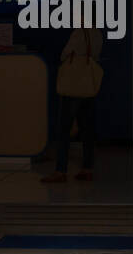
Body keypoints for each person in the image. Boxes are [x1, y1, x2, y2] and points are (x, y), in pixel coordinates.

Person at [42, 26, 104, 183]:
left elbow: (65, 54)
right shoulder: (97, 33)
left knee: (64, 129)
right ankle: (87, 168)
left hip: (73, 85)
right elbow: (96, 55)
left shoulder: (79, 32)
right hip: (88, 86)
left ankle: (60, 171)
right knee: (87, 130)